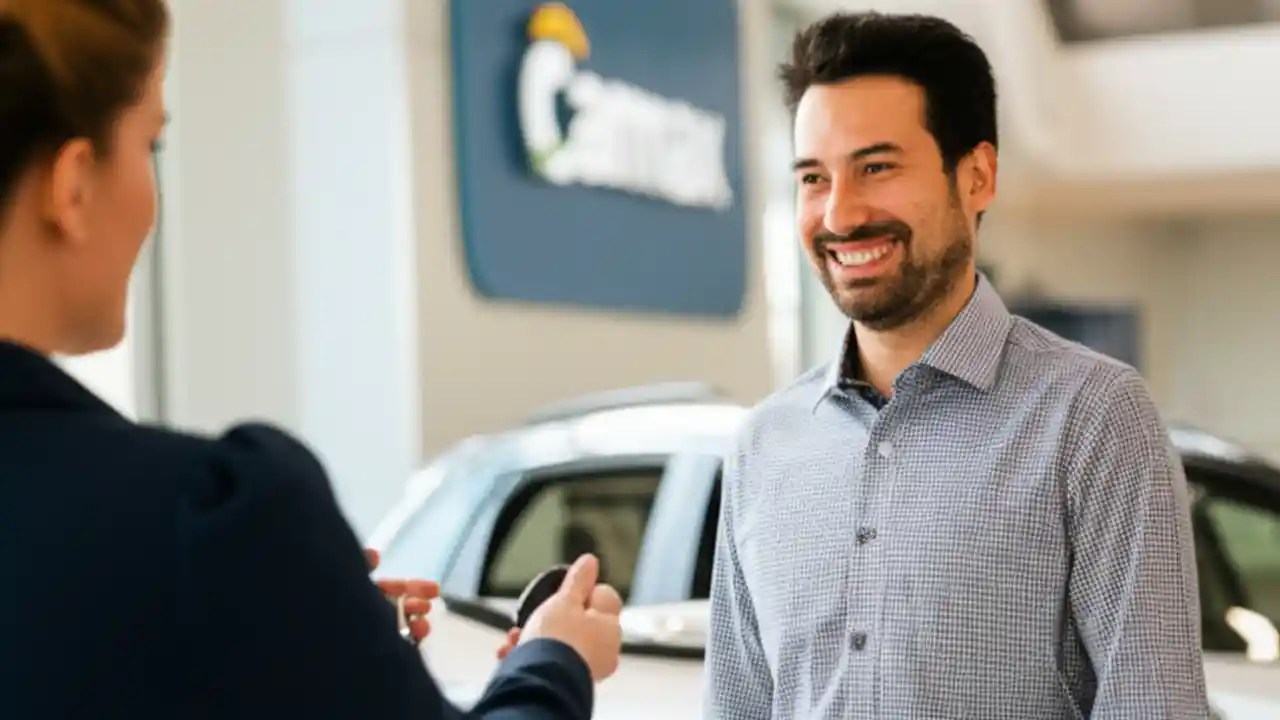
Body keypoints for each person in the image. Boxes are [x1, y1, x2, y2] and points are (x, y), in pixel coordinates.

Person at [0, 1, 621, 718]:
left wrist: (317, 639)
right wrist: (555, 658)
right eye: (151, 145)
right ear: (72, 185)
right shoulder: (216, 520)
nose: (152, 198)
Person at [705, 11, 1208, 720]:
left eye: (876, 167)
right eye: (814, 177)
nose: (840, 214)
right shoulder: (763, 445)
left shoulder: (1093, 418)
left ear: (975, 177)